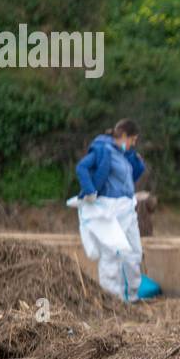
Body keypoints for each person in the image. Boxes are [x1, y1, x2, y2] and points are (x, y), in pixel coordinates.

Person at [74, 119, 146, 302]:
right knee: (112, 255)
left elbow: (131, 175)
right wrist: (90, 191)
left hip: (127, 209)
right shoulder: (102, 148)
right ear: (123, 136)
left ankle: (131, 297)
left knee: (134, 253)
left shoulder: (124, 154)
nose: (133, 144)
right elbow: (81, 167)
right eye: (132, 140)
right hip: (110, 210)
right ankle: (113, 301)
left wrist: (135, 158)